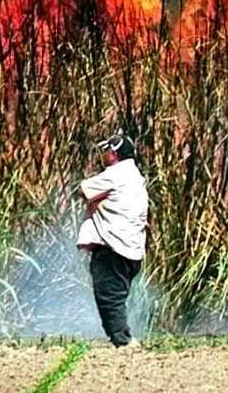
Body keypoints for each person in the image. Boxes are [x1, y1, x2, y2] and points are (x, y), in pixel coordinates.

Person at [77, 130, 149, 346]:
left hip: (113, 246)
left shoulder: (117, 174)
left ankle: (123, 341)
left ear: (114, 153)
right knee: (116, 295)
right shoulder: (135, 176)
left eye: (107, 149)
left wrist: (95, 200)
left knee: (109, 295)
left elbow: (83, 189)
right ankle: (123, 337)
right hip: (131, 249)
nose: (104, 154)